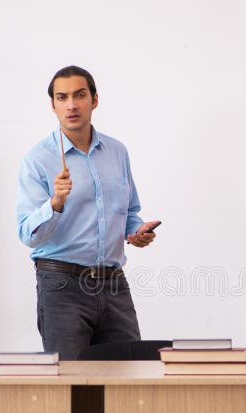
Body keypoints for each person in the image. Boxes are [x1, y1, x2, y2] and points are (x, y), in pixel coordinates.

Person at [16, 65, 159, 360]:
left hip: (113, 283)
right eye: (62, 97)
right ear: (53, 105)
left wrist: (137, 231)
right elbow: (27, 234)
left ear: (94, 100)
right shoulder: (38, 159)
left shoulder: (117, 152)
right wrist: (55, 202)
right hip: (62, 286)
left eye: (80, 95)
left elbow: (129, 211)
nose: (71, 105)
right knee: (71, 385)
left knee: (131, 375)